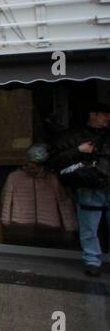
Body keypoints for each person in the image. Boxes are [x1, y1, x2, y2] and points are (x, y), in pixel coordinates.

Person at [50, 103, 110, 276]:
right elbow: (57, 160)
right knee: (89, 227)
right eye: (104, 115)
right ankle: (92, 261)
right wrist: (79, 150)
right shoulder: (74, 136)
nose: (108, 118)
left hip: (106, 183)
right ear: (93, 114)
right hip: (88, 187)